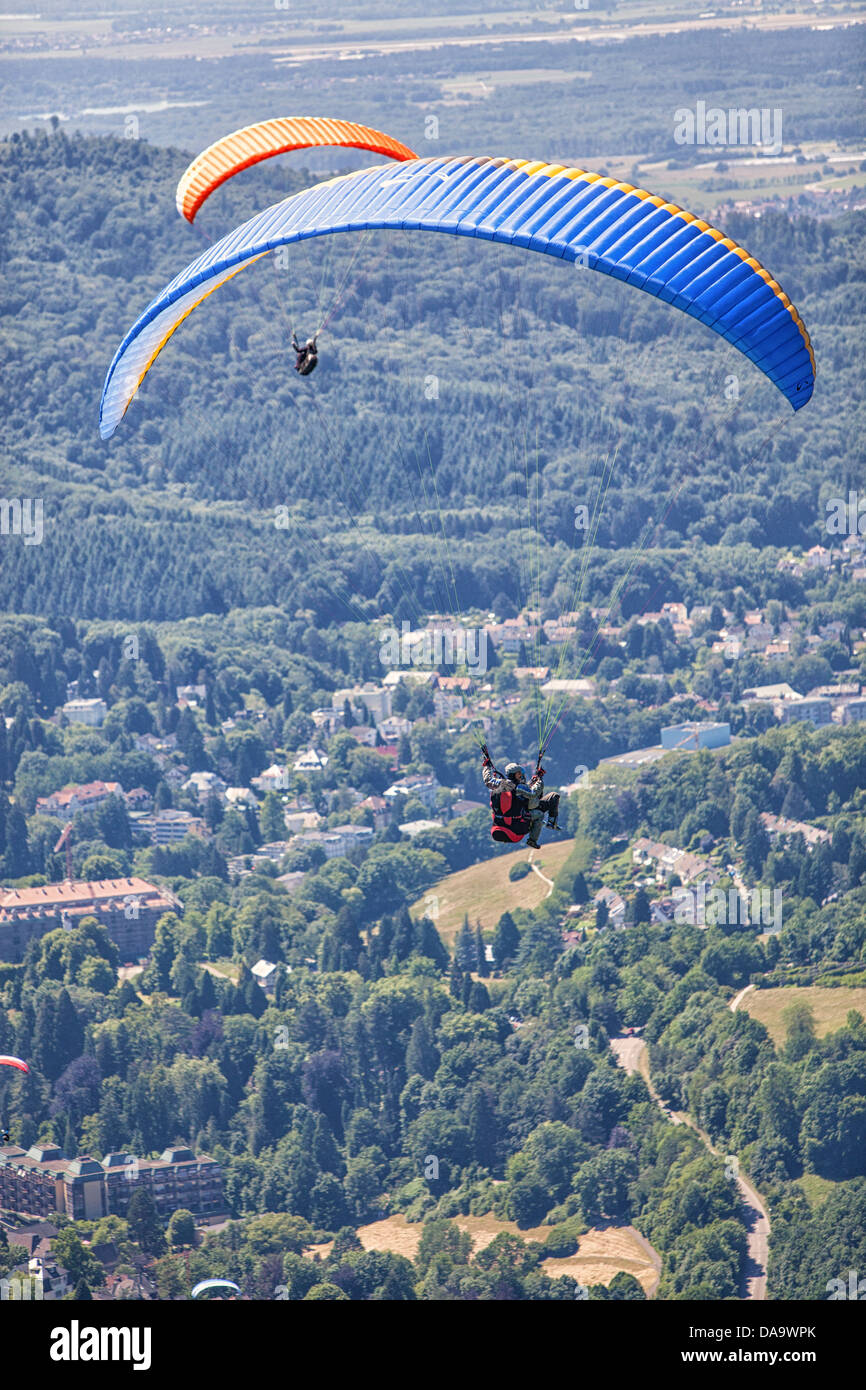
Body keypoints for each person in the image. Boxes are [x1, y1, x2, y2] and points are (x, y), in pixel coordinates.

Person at [482, 754, 559, 848]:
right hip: (516, 828)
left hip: (500, 826)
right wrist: (540, 779)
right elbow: (533, 792)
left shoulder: (497, 783)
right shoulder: (518, 787)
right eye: (519, 773)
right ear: (515, 774)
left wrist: (487, 766)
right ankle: (532, 840)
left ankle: (540, 825)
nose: (521, 775)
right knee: (539, 814)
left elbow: (487, 779)